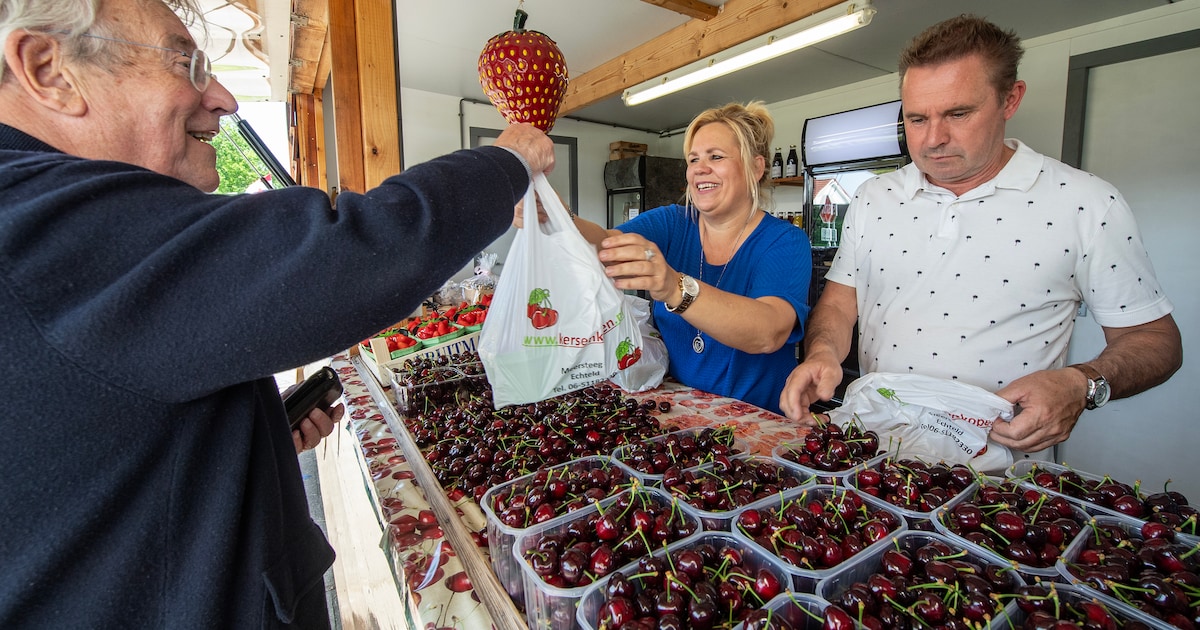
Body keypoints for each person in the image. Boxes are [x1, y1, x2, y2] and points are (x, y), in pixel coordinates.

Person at [0, 0, 554, 627]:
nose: (223, 98)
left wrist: (248, 434)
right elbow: (346, 253)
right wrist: (507, 161)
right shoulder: (35, 225)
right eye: (185, 63)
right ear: (48, 70)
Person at [779, 15, 1182, 456]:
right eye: (916, 119)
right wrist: (823, 353)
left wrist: (1083, 384)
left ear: (1011, 99)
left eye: (958, 114)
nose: (933, 139)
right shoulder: (874, 197)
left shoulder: (1086, 202)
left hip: (998, 472)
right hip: (875, 452)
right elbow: (840, 303)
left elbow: (1155, 340)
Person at [551, 102, 812, 415]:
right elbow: (605, 244)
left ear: (755, 168)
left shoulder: (784, 241)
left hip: (757, 424)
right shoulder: (673, 223)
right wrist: (559, 216)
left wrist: (676, 288)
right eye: (693, 159)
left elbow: (768, 332)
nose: (700, 168)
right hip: (679, 415)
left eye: (716, 157)